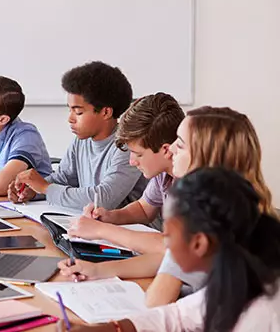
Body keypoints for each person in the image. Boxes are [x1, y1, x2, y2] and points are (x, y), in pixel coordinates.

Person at [59, 106, 276, 307]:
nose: (170, 149)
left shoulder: (213, 217)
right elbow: (170, 259)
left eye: (179, 144)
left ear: (204, 158)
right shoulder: (222, 207)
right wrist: (98, 270)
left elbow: (158, 299)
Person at [56, 168, 280, 332]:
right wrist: (105, 329)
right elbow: (177, 316)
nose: (164, 243)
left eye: (168, 235)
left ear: (199, 244)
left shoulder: (263, 313)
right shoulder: (235, 277)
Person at [8, 61, 147, 210]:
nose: (70, 119)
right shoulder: (82, 141)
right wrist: (33, 190)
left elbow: (104, 198)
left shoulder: (127, 147)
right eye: (70, 110)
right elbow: (64, 178)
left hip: (127, 228)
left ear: (106, 112)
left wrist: (45, 188)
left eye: (78, 112)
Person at [66, 93, 185, 254]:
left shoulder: (193, 183)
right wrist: (110, 217)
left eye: (139, 154)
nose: (132, 162)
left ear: (166, 150)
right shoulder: (163, 173)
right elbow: (144, 209)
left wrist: (102, 230)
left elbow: (174, 247)